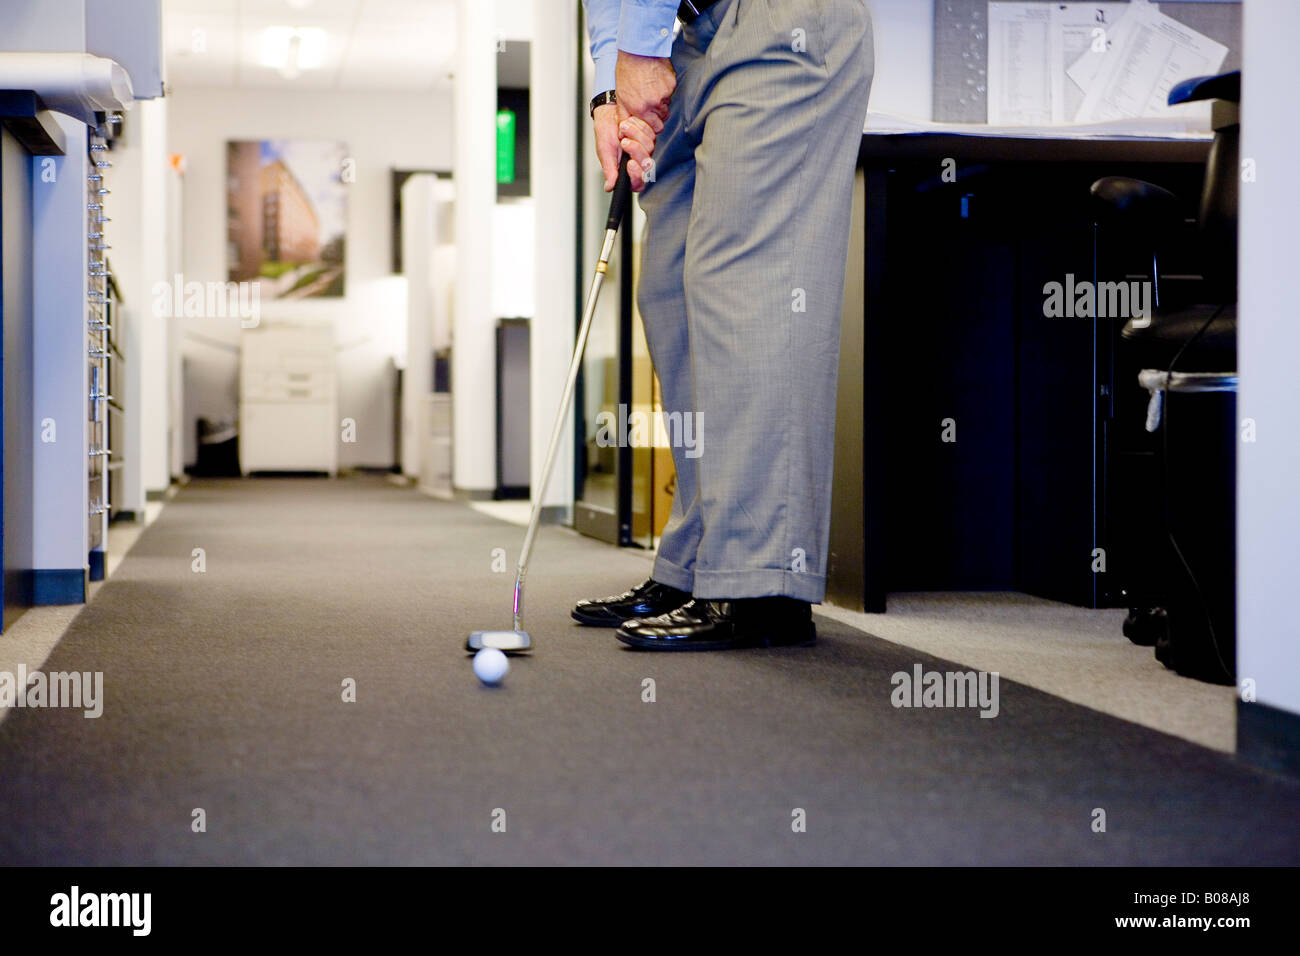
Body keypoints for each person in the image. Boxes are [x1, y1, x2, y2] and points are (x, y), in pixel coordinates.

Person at [573, 0, 874, 650]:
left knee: (745, 284)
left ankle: (762, 585)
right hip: (692, 29)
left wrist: (642, 48)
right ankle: (700, 562)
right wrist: (609, 87)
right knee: (670, 284)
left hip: (781, 20)